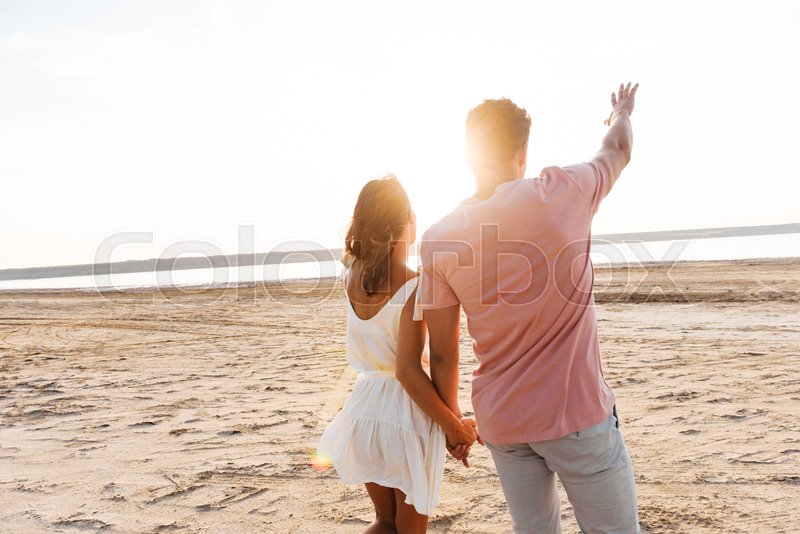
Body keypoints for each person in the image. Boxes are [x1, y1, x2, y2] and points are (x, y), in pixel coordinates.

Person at [414, 83, 641, 533]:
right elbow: (618, 148)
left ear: (467, 153)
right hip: (576, 417)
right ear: (523, 152)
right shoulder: (564, 191)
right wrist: (622, 112)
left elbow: (442, 351)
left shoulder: (438, 239)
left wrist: (455, 422)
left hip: (504, 424)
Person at [316, 175, 480, 534]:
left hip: (364, 410)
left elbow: (353, 254)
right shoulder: (412, 286)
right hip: (405, 416)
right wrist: (453, 425)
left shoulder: (352, 272)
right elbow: (409, 370)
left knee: (384, 521)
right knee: (408, 527)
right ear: (406, 225)